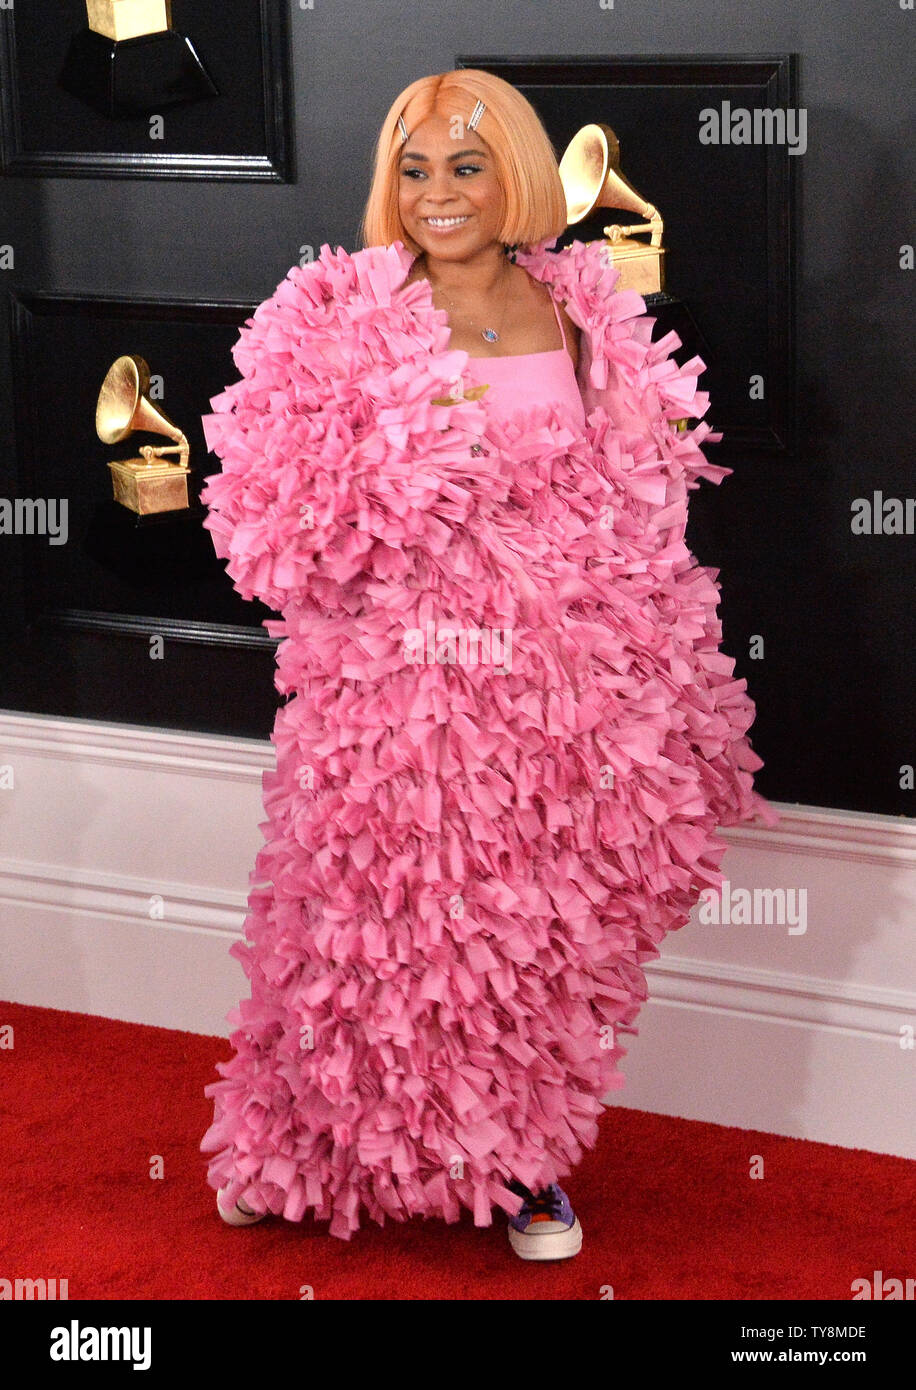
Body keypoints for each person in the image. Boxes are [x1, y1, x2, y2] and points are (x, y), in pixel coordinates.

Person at [199, 69, 776, 1263]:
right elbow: (261, 506)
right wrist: (403, 488)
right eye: (414, 170)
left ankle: (516, 1162)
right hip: (398, 684)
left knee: (525, 939)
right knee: (359, 925)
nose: (438, 195)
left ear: (511, 172)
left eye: (465, 166)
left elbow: (633, 484)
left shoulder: (578, 301)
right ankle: (292, 1145)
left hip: (558, 686)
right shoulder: (335, 307)